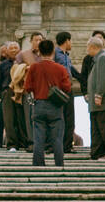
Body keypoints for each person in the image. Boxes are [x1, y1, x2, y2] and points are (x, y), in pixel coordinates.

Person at [25, 38, 71, 168]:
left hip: (39, 104)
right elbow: (67, 87)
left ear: (39, 51)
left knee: (39, 138)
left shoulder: (34, 68)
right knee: (57, 138)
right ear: (53, 52)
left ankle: (38, 165)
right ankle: (59, 165)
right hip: (55, 106)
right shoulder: (60, 68)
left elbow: (27, 87)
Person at [85, 37, 105, 159]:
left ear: (93, 47)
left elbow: (104, 77)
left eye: (88, 47)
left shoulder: (103, 57)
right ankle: (98, 152)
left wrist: (99, 94)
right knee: (98, 128)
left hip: (104, 103)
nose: (87, 50)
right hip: (97, 104)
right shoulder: (98, 58)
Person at [54, 31, 82, 154]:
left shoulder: (66, 56)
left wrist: (82, 78)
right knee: (64, 117)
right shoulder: (57, 55)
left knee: (69, 117)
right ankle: (63, 145)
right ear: (66, 41)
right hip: (62, 90)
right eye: (70, 41)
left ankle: (67, 145)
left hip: (68, 89)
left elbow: (72, 71)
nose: (71, 43)